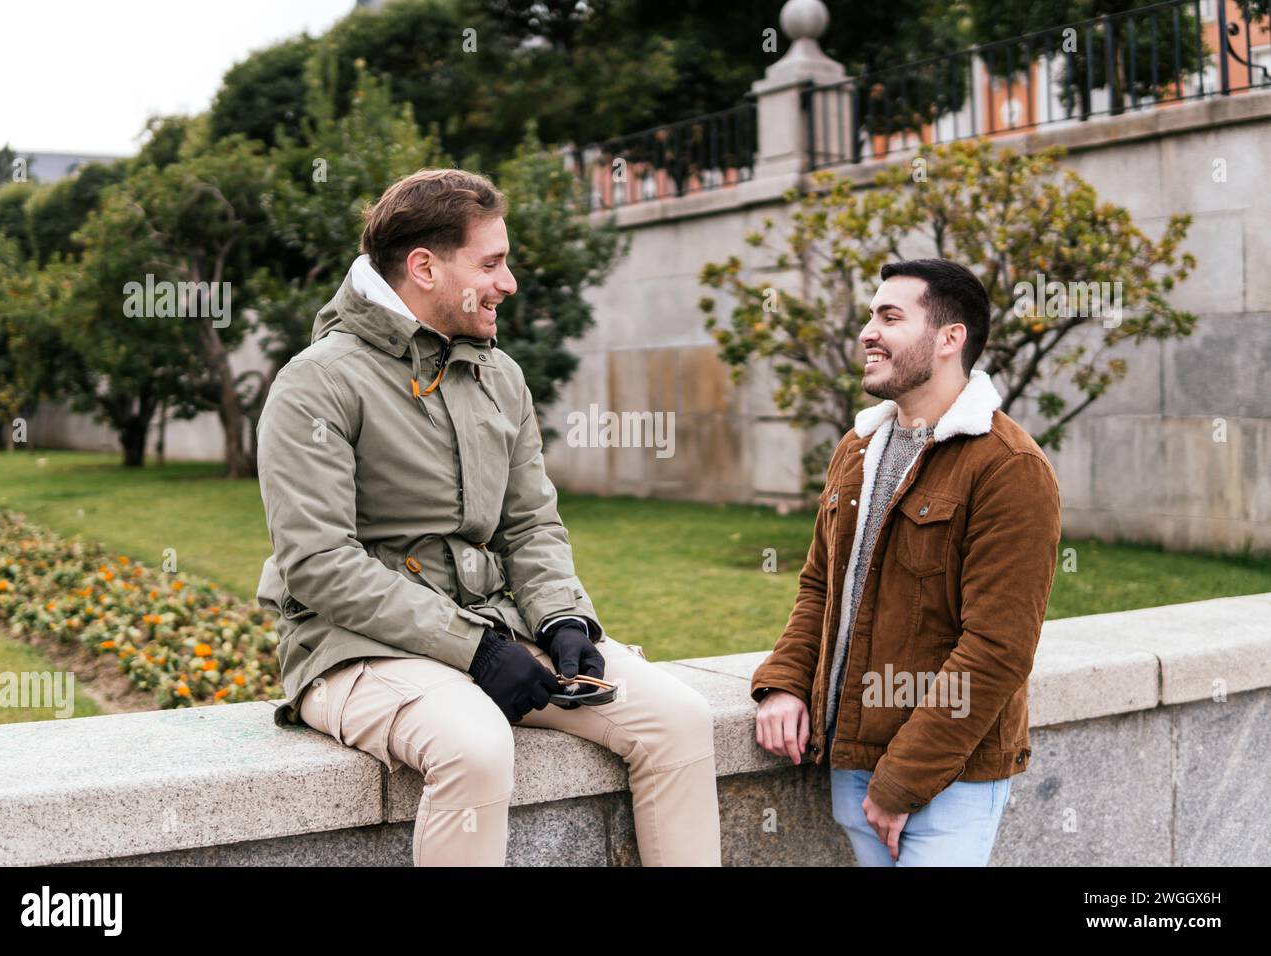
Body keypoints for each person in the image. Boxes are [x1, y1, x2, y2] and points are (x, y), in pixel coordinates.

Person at [255, 167, 720, 866]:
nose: (509, 283)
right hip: (349, 651)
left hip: (491, 630)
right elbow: (319, 564)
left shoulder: (498, 375)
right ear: (424, 266)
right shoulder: (315, 383)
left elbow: (530, 524)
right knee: (475, 745)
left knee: (679, 719)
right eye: (493, 263)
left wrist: (563, 619)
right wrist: (476, 649)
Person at [751, 258, 1062, 866]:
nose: (868, 331)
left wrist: (905, 781)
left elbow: (998, 647)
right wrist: (785, 683)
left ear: (950, 338)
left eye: (890, 317)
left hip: (949, 780)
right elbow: (821, 586)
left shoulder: (1008, 467)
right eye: (871, 315)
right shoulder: (859, 446)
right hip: (853, 761)